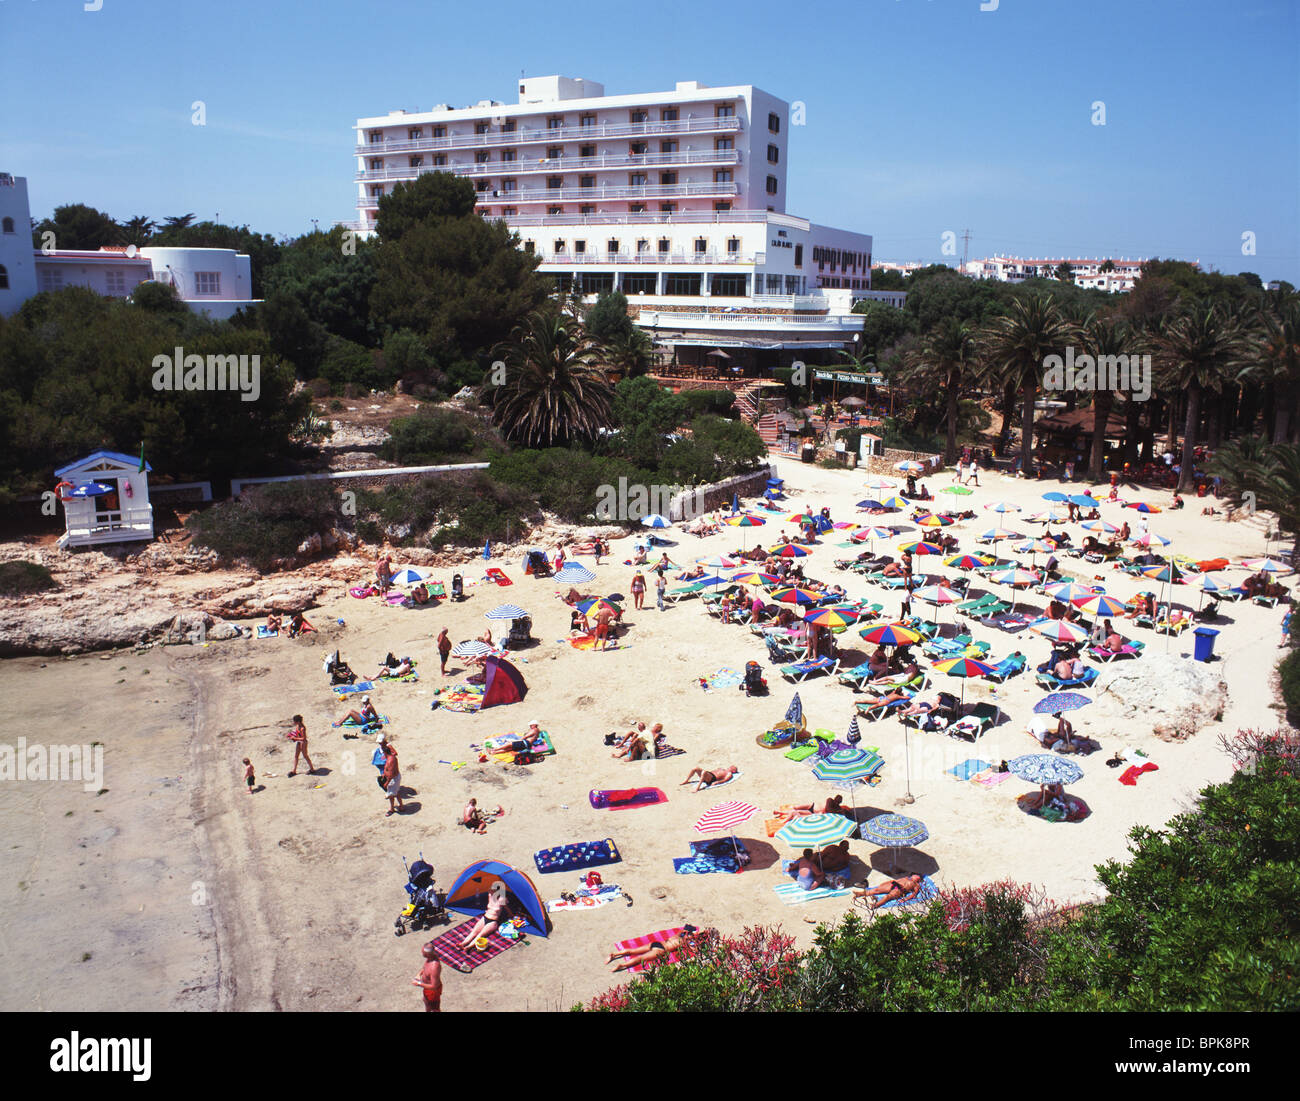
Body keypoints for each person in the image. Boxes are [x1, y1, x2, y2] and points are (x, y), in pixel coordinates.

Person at [605, 927, 697, 972]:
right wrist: (693, 944)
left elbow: (684, 930)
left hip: (656, 943)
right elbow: (694, 950)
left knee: (632, 951)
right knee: (639, 959)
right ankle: (621, 965)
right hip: (661, 950)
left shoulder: (678, 935)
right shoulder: (685, 942)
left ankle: (614, 954)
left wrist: (687, 931)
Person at [458, 882, 513, 949]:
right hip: (485, 917)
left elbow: (506, 908)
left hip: (493, 921)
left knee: (480, 934)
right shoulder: (490, 894)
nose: (492, 891)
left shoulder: (502, 899)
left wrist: (511, 915)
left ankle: (469, 947)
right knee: (474, 932)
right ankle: (463, 943)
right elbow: (489, 889)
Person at [854, 874, 925, 909]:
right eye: (915, 874)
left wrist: (905, 899)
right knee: (876, 890)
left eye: (916, 875)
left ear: (918, 879)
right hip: (894, 885)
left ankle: (876, 905)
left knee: (887, 897)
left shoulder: (916, 885)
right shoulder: (906, 878)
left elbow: (914, 894)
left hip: (900, 890)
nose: (914, 875)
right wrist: (885, 884)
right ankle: (860, 894)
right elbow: (895, 881)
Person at [412, 942, 443, 1012]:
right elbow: (425, 967)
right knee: (426, 1002)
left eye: (423, 952)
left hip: (432, 992)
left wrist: (418, 983)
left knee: (434, 1009)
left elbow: (434, 986)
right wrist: (419, 974)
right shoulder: (430, 957)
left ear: (427, 954)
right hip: (427, 990)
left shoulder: (434, 967)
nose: (421, 953)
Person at [381, 740, 403, 815]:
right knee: (396, 793)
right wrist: (384, 773)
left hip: (393, 779)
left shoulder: (390, 760)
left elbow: (390, 774)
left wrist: (386, 783)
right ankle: (401, 806)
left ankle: (392, 809)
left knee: (391, 795)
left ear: (385, 752)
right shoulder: (391, 756)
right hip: (395, 777)